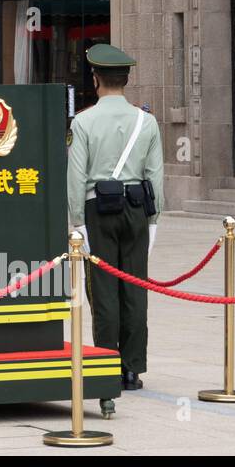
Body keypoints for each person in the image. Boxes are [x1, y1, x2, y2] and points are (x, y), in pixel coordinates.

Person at [66, 44, 165, 392]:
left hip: (98, 210)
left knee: (104, 290)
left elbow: (76, 176)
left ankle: (106, 364)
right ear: (126, 80)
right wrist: (153, 223)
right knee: (135, 288)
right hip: (137, 210)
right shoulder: (147, 121)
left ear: (96, 79)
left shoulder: (83, 121)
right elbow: (155, 176)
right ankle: (132, 368)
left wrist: (77, 222)